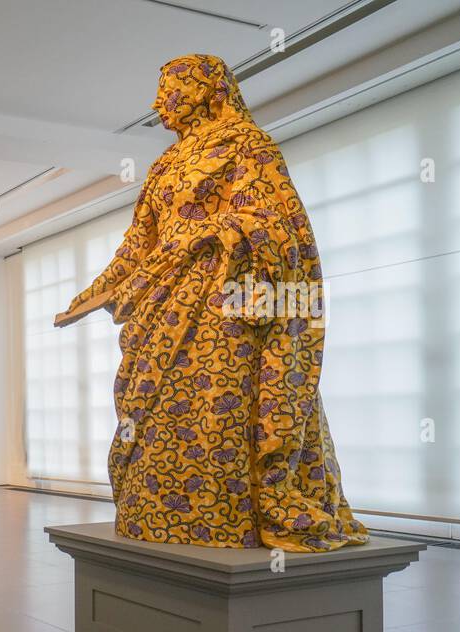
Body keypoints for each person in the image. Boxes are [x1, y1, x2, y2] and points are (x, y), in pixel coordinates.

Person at [55, 54, 366, 552]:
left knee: (218, 406)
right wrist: (92, 292)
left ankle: (227, 519)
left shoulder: (248, 144)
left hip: (225, 299)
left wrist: (207, 233)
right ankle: (159, 513)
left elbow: (277, 222)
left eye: (171, 89)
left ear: (208, 90)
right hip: (164, 302)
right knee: (151, 408)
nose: (159, 102)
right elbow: (139, 244)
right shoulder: (164, 165)